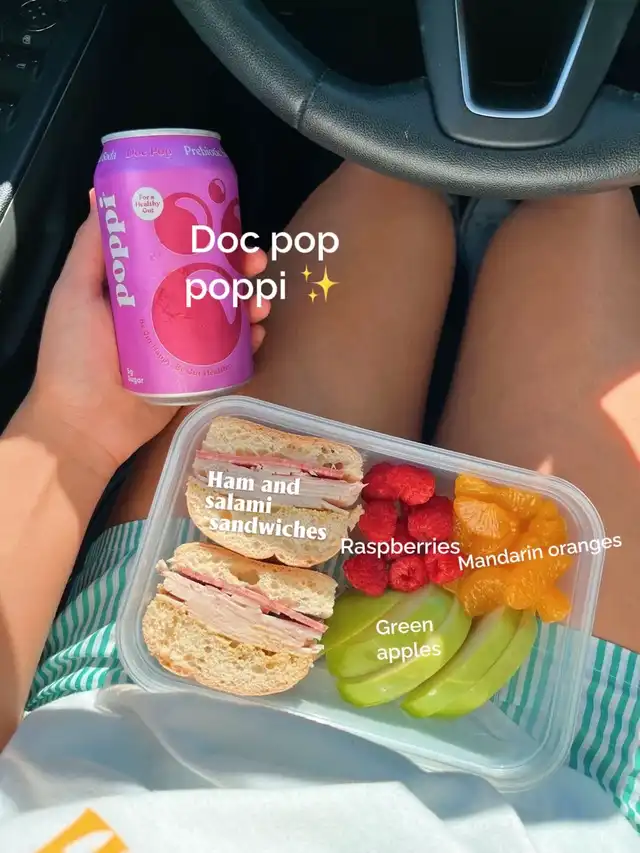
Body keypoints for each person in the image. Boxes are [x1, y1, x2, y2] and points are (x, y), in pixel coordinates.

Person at [0, 165, 638, 851]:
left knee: (388, 183)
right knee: (584, 197)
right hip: (548, 760)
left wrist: (74, 430)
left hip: (163, 640)